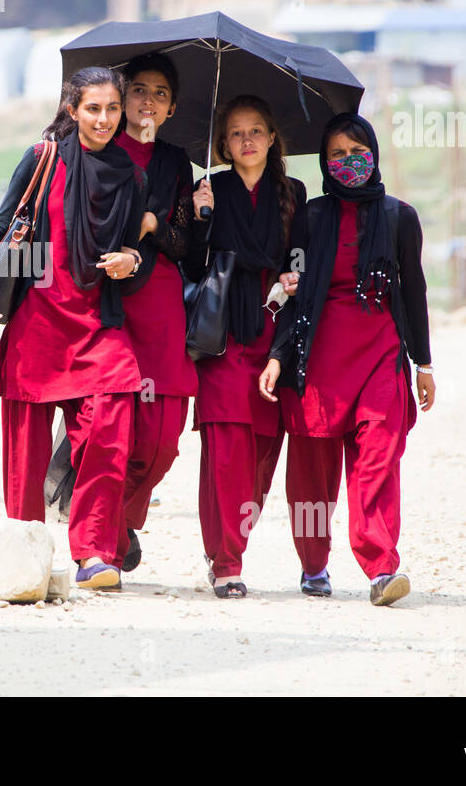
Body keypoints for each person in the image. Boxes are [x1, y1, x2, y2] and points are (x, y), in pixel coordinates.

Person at [0, 65, 144, 591]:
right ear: (72, 109)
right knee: (26, 451)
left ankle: (92, 553)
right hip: (38, 321)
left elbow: (138, 246)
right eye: (94, 108)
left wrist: (132, 258)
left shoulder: (132, 174)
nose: (105, 119)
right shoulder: (42, 158)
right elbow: (1, 224)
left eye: (114, 108)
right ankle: (24, 549)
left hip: (98, 323)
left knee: (110, 430)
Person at [258, 111, 435, 606]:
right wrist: (277, 355)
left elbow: (414, 291)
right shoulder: (310, 219)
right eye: (336, 154)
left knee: (379, 458)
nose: (348, 162)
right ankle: (314, 564)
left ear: (374, 155)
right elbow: (293, 291)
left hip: (380, 354)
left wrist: (423, 363)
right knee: (313, 472)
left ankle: (381, 568)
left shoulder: (401, 217)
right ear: (323, 161)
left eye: (357, 153)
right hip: (317, 359)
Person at [187, 95, 306, 597]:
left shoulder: (294, 191)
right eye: (236, 133)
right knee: (224, 450)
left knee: (261, 454)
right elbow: (191, 264)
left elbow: (302, 253)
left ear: (273, 137)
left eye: (257, 130)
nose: (248, 140)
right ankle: (226, 562)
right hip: (224, 330)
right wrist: (198, 220)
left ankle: (230, 540)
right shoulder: (209, 189)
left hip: (275, 326)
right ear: (223, 144)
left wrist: (294, 275)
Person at [112, 53, 197, 572]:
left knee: (163, 436)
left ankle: (116, 515)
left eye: (160, 93)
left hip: (162, 302)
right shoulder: (99, 148)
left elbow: (185, 242)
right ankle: (104, 527)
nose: (148, 101)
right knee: (112, 423)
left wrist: (157, 226)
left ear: (172, 108)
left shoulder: (175, 162)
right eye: (139, 90)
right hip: (110, 301)